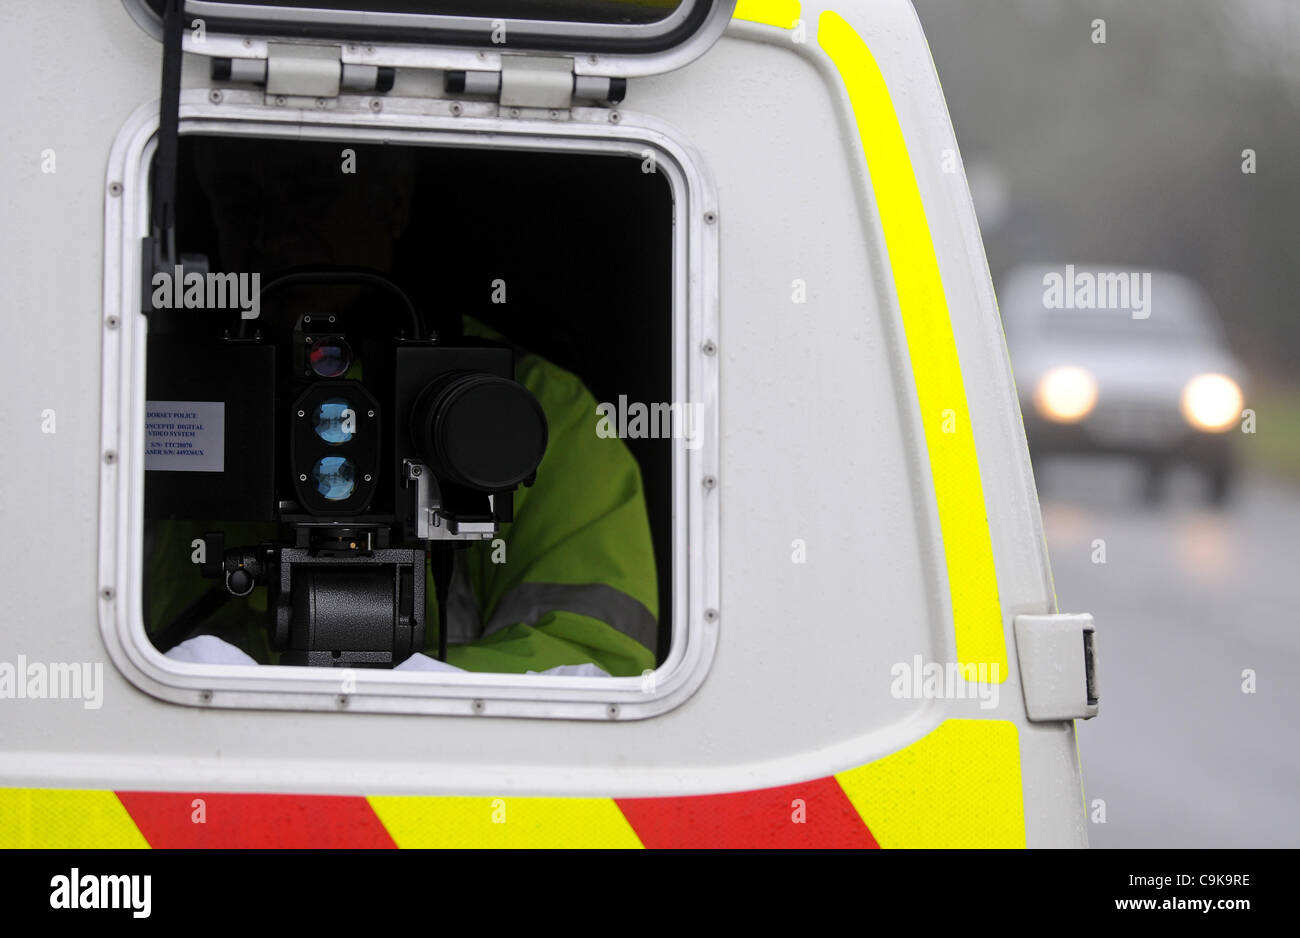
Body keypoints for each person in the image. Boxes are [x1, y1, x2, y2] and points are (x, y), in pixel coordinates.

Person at [147, 138, 657, 677]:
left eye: (308, 192)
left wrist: (376, 693)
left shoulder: (535, 410)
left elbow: (598, 662)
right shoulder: (154, 399)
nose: (271, 228)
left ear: (393, 200)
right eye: (239, 198)